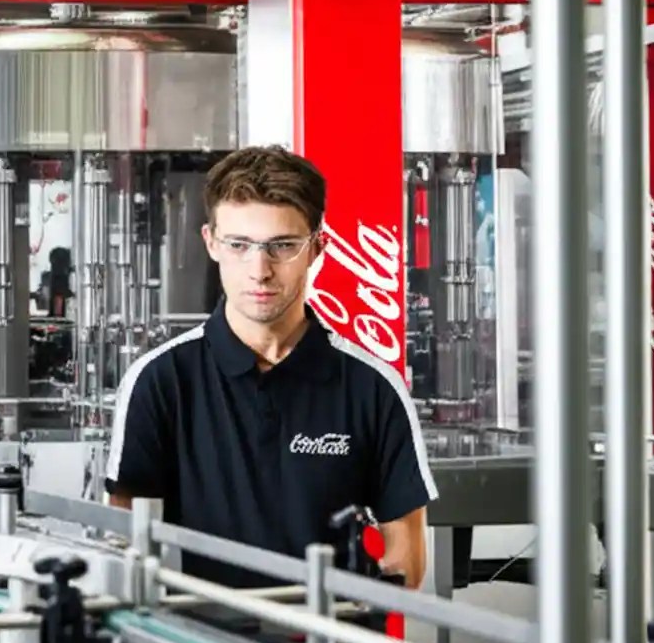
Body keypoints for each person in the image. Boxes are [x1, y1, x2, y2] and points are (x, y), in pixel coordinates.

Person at [105, 145, 437, 591]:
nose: (259, 270)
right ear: (211, 243)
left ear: (318, 247)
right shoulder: (160, 382)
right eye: (239, 245)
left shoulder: (373, 389)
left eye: (282, 246)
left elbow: (407, 561)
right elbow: (126, 547)